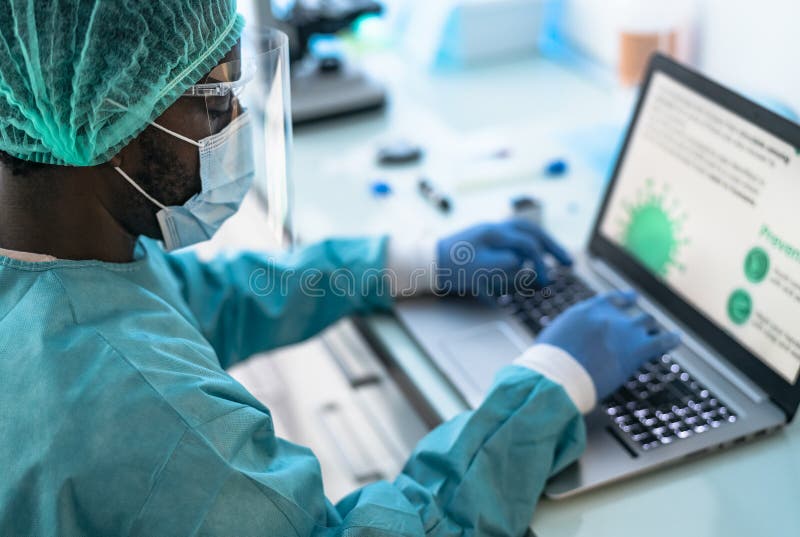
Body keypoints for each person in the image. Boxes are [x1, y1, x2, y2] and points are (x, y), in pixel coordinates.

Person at [0, 1, 680, 535]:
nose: (236, 120)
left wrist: (408, 263)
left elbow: (209, 300)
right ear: (111, 116)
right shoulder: (153, 416)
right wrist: (549, 385)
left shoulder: (58, 256)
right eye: (215, 100)